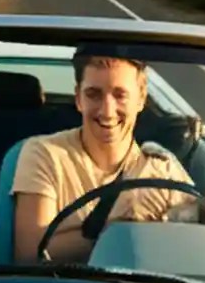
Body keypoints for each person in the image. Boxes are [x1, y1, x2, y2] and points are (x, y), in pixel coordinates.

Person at [11, 50, 195, 263]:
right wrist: (125, 228)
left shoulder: (164, 171)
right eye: (93, 94)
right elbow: (30, 255)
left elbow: (196, 252)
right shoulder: (45, 154)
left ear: (141, 98)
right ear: (78, 98)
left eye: (120, 95)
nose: (107, 111)